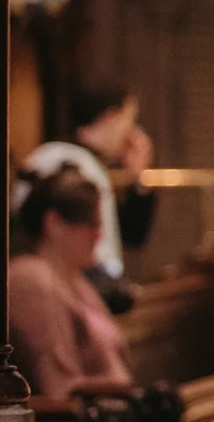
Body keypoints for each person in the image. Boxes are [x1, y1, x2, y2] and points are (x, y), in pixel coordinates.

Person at [19, 83, 157, 309]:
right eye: (129, 119)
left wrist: (137, 179)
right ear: (109, 118)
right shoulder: (61, 159)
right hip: (63, 294)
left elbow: (133, 235)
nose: (133, 133)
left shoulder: (91, 166)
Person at [8, 169, 136, 398]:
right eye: (93, 224)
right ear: (54, 223)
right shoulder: (30, 278)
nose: (100, 235)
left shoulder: (77, 281)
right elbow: (59, 386)